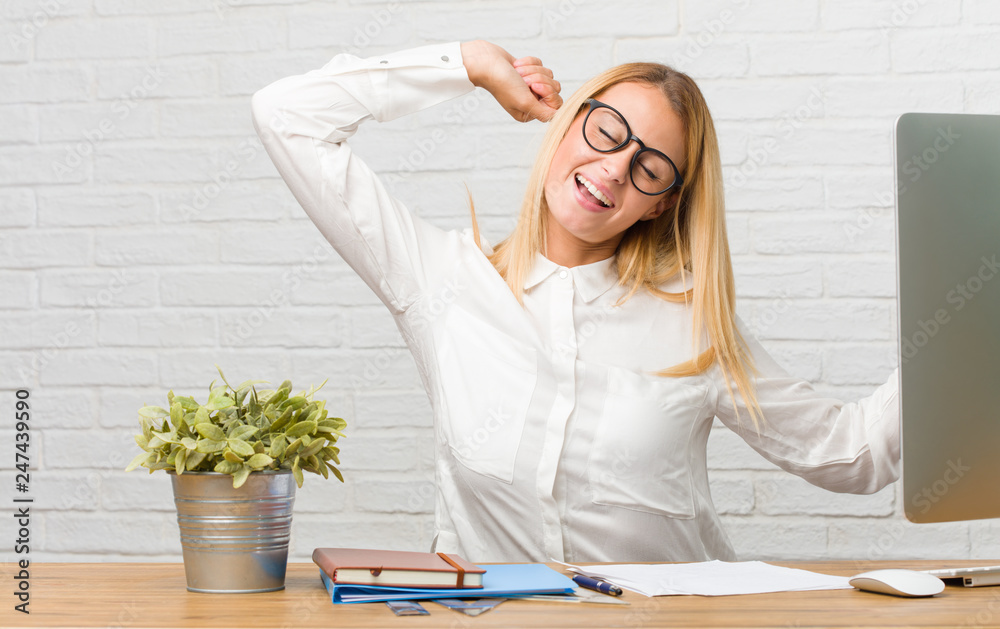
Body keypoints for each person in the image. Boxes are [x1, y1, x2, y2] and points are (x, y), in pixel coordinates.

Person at [252, 39, 899, 563]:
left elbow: (854, 452)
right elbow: (286, 113)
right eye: (606, 130)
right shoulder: (443, 280)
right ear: (566, 123)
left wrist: (963, 330)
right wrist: (469, 65)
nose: (616, 168)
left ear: (663, 202)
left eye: (650, 167)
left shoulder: (693, 323)